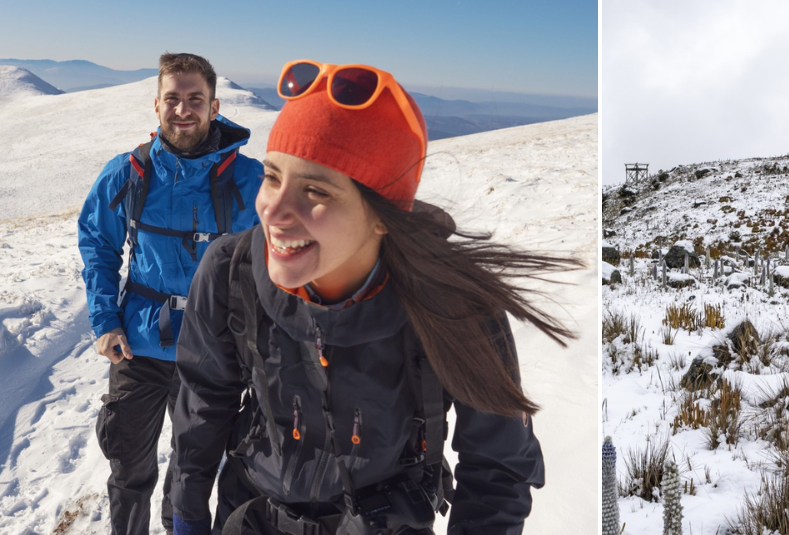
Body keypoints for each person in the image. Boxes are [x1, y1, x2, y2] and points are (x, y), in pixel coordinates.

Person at [170, 60, 581, 535]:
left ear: (384, 217)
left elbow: (497, 468)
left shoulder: (451, 302)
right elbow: (202, 404)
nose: (274, 211)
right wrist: (187, 516)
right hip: (255, 517)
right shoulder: (230, 273)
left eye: (315, 190)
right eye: (272, 177)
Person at [78, 52, 264, 535]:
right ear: (156, 105)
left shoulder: (250, 180)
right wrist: (105, 321)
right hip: (136, 346)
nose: (183, 110)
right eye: (173, 99)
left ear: (214, 105)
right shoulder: (129, 174)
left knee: (192, 474)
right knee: (129, 466)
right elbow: (98, 244)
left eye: (195, 100)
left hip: (212, 350)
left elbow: (276, 262)